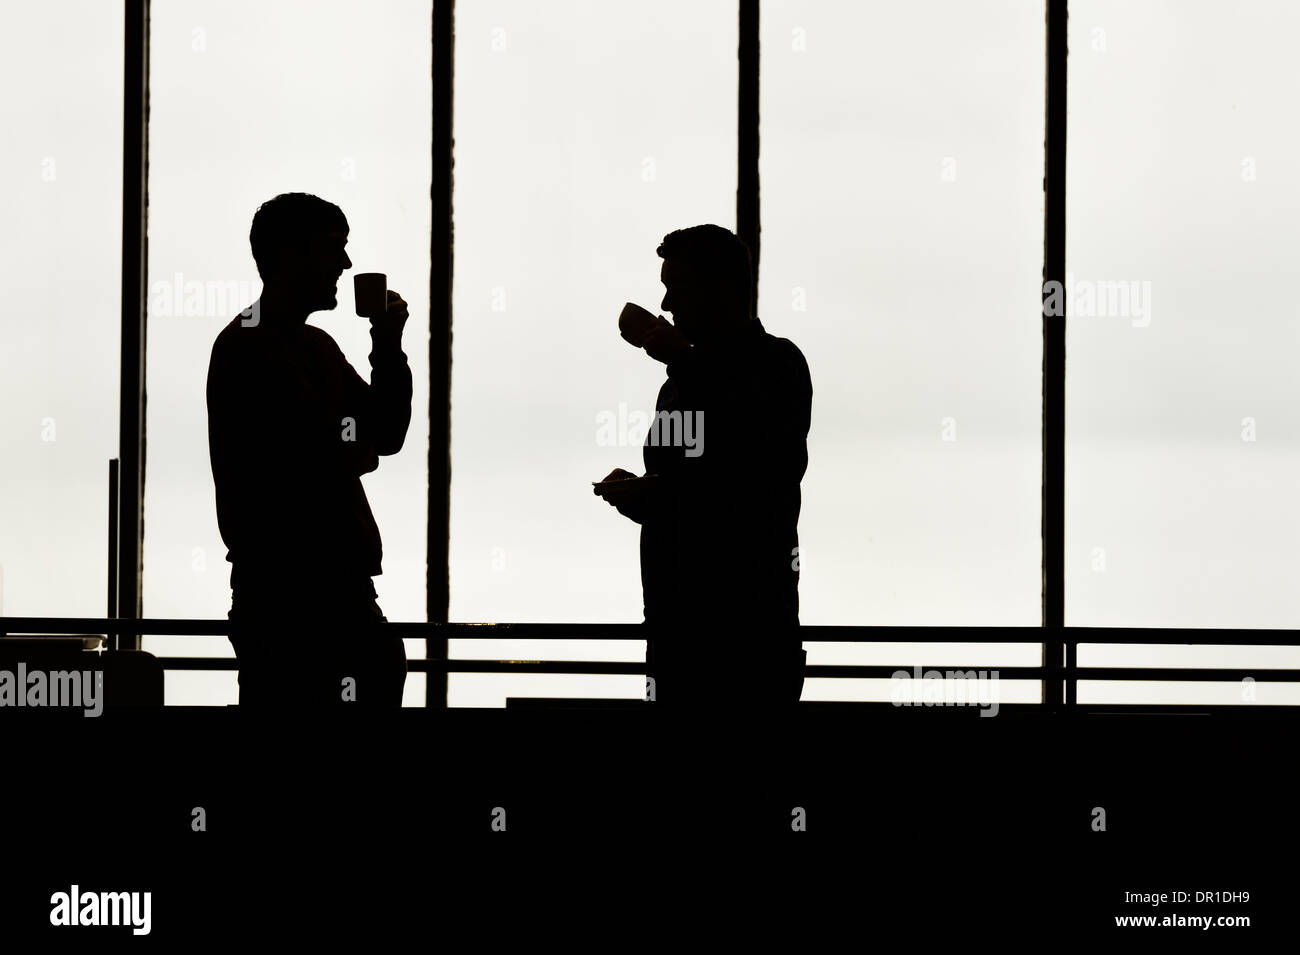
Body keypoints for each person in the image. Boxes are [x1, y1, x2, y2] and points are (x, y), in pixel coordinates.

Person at [594, 224, 813, 713]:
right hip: (679, 630)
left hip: (746, 637)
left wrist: (684, 362)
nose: (666, 305)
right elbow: (717, 483)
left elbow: (757, 477)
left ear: (720, 289)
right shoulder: (683, 382)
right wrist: (649, 496)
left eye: (676, 287)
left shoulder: (777, 364)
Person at [206, 192, 412, 709]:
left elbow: (376, 437)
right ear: (292, 254)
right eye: (333, 249)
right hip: (298, 599)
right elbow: (334, 451)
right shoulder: (257, 348)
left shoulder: (298, 345)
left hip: (298, 595)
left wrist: (387, 344)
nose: (345, 263)